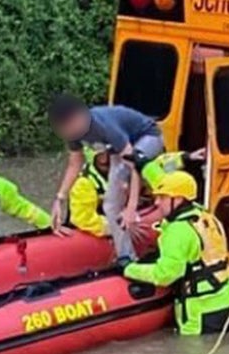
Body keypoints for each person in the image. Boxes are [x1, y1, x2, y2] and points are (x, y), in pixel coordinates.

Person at [48, 94, 165, 263]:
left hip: (148, 137)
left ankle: (130, 249)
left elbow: (134, 164)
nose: (70, 133)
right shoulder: (73, 133)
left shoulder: (103, 126)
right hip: (120, 150)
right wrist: (59, 199)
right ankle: (126, 255)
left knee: (120, 178)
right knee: (111, 205)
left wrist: (131, 208)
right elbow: (75, 163)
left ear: (81, 116)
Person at [122, 171, 229, 336]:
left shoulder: (178, 231)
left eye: (162, 197)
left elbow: (165, 275)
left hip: (201, 313)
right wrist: (145, 165)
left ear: (177, 199)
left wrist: (129, 268)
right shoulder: (205, 217)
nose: (157, 202)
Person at [68, 147, 111, 237]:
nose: (106, 159)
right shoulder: (83, 184)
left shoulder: (123, 172)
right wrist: (115, 228)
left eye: (110, 153)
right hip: (90, 234)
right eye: (101, 155)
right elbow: (83, 219)